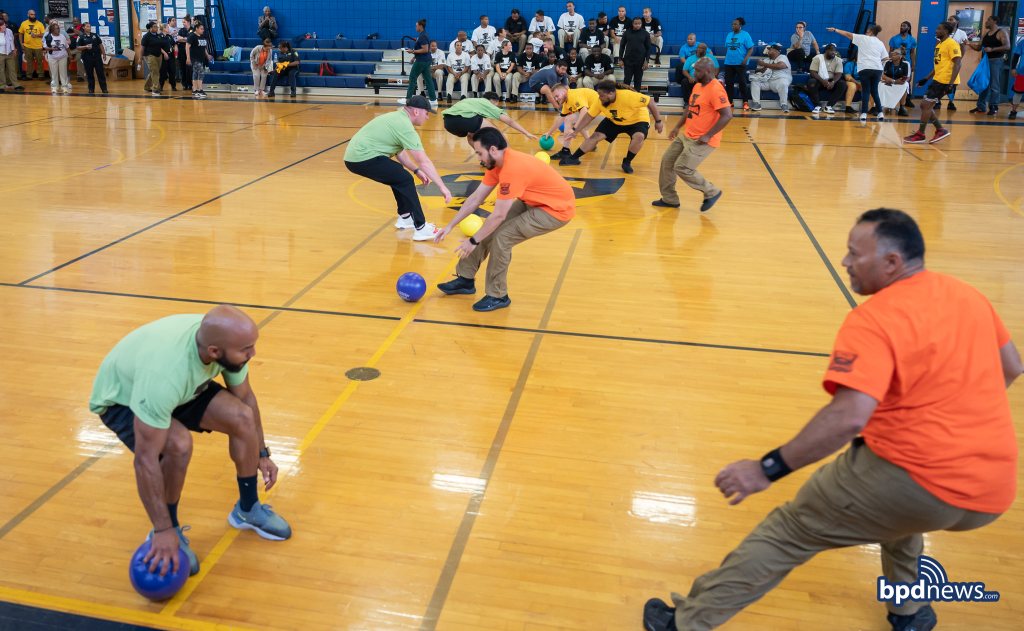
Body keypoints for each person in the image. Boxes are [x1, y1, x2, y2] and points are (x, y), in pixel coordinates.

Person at [642, 208, 1021, 631]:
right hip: (992, 490)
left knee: (787, 532)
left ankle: (687, 623)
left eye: (853, 254)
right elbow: (1012, 367)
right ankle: (908, 613)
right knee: (898, 519)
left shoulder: (875, 319)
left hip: (917, 482)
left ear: (892, 263)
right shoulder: (967, 295)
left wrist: (766, 468)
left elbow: (847, 418)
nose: (845, 262)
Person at [90, 306, 296, 578]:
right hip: (125, 399)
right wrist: (162, 530)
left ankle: (248, 510)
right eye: (246, 349)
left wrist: (261, 452)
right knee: (177, 445)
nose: (253, 354)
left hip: (181, 389)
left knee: (243, 418)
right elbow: (145, 460)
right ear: (214, 352)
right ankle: (169, 527)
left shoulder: (224, 341)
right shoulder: (165, 375)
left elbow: (246, 398)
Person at [435, 128, 576, 313]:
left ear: (493, 149)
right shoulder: (496, 164)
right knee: (488, 228)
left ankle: (498, 295)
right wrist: (450, 225)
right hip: (533, 201)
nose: (478, 158)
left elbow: (499, 215)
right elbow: (476, 198)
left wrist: (473, 240)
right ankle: (465, 280)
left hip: (556, 210)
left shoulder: (512, 168)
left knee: (502, 236)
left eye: (479, 153)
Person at [344, 96, 452, 241]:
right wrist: (442, 186)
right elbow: (424, 161)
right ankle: (421, 228)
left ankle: (405, 217)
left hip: (356, 156)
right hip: (361, 157)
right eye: (426, 113)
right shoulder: (405, 126)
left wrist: (416, 170)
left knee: (399, 175)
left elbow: (399, 151)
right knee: (405, 179)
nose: (427, 117)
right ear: (415, 112)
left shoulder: (398, 118)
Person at [653, 57, 731, 211]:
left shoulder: (716, 89)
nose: (694, 73)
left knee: (682, 167)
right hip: (687, 134)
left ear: (709, 71)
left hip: (703, 139)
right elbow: (690, 108)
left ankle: (711, 191)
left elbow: (727, 115)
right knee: (667, 162)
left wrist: (708, 135)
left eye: (698, 70)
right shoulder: (698, 85)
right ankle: (669, 199)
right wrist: (677, 127)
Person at [558, 79, 664, 173]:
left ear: (611, 94)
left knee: (639, 136)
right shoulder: (600, 102)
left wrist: (658, 121)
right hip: (614, 119)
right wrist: (575, 131)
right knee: (596, 136)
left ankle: (627, 162)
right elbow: (589, 116)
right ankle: (574, 158)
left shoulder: (627, 96)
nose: (599, 98)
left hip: (637, 119)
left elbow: (650, 101)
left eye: (601, 96)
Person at [903, 21, 959, 144]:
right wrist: (926, 79)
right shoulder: (940, 45)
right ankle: (940, 129)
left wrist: (951, 84)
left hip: (945, 80)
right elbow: (939, 66)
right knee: (924, 105)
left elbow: (957, 64)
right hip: (938, 78)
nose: (936, 31)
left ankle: (920, 134)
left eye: (939, 29)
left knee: (927, 105)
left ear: (946, 31)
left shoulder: (952, 44)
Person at [829, 25, 889, 121]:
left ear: (870, 33)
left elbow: (848, 34)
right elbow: (885, 58)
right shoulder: (880, 43)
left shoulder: (863, 38)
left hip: (865, 68)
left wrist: (835, 30)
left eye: (867, 32)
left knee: (866, 91)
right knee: (874, 92)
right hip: (877, 69)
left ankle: (864, 113)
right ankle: (880, 113)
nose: (865, 33)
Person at [441, 91, 537, 148]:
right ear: (491, 101)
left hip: (448, 122)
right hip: (464, 119)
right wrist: (526, 132)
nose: (496, 107)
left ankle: (484, 158)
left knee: (471, 135)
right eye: (496, 105)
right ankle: (510, 156)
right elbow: (509, 121)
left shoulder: (472, 101)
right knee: (495, 130)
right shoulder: (487, 103)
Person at [967, 16, 1010, 116]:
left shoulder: (1001, 32)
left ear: (994, 21)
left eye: (988, 20)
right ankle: (981, 107)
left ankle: (993, 107)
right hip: (985, 62)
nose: (986, 22)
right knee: (983, 84)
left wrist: (992, 49)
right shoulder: (986, 34)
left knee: (994, 85)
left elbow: (1007, 46)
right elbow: (978, 48)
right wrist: (968, 44)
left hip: (996, 62)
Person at [544, 83, 597, 160]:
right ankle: (590, 143)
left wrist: (574, 129)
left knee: (570, 119)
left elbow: (584, 112)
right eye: (554, 97)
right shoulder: (566, 103)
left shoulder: (573, 95)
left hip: (602, 112)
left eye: (557, 96)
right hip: (595, 112)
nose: (556, 99)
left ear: (564, 92)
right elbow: (560, 119)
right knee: (575, 119)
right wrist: (549, 132)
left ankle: (565, 151)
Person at [402, 19, 437, 106]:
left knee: (413, 78)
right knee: (428, 80)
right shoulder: (424, 35)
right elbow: (423, 49)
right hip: (426, 60)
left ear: (421, 26)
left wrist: (413, 51)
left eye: (416, 26)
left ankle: (408, 99)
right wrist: (414, 56)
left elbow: (425, 49)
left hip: (421, 61)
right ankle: (433, 100)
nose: (415, 27)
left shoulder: (423, 36)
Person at [749, 43, 792, 112]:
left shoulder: (782, 57)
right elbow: (756, 70)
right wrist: (761, 70)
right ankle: (756, 104)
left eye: (770, 50)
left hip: (779, 81)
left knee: (783, 83)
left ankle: (784, 104)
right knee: (754, 82)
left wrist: (764, 64)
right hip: (767, 81)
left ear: (775, 51)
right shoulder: (766, 60)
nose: (768, 51)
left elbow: (780, 66)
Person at [937, 15, 968, 111]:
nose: (949, 20)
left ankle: (951, 102)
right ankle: (938, 101)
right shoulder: (943, 32)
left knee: (953, 83)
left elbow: (963, 48)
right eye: (948, 19)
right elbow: (937, 46)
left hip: (954, 61)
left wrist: (958, 60)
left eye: (951, 19)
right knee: (940, 80)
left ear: (957, 21)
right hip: (943, 61)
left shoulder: (961, 33)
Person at [806, 43, 846, 114]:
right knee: (812, 82)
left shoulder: (838, 60)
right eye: (831, 50)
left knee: (842, 84)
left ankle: (829, 106)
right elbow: (812, 72)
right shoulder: (818, 58)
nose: (833, 52)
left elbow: (839, 74)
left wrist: (832, 82)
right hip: (819, 80)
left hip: (831, 80)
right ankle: (817, 106)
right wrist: (822, 81)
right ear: (826, 51)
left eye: (834, 50)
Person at [723, 17, 753, 110]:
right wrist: (727, 57)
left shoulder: (745, 35)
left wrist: (746, 59)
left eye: (735, 24)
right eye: (732, 24)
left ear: (740, 25)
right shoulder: (729, 35)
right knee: (729, 83)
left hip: (741, 63)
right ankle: (730, 101)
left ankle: (745, 102)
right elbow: (727, 47)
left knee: (742, 83)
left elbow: (751, 48)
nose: (733, 25)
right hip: (729, 63)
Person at [619, 16, 651, 92]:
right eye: (636, 23)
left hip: (640, 61)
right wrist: (620, 59)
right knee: (627, 80)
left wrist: (646, 61)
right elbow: (622, 46)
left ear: (641, 24)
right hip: (628, 61)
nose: (637, 25)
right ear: (632, 24)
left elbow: (648, 48)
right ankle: (625, 97)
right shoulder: (626, 33)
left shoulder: (645, 34)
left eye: (639, 23)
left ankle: (636, 99)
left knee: (638, 81)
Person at [75, 22, 105, 94]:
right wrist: (85, 47)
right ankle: (91, 89)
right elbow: (78, 47)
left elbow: (100, 44)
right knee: (90, 74)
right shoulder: (81, 36)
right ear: (83, 28)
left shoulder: (95, 35)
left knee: (100, 73)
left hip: (97, 56)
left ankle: (104, 88)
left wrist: (104, 53)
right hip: (87, 57)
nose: (89, 28)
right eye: (87, 26)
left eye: (90, 26)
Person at [879, 47, 911, 116]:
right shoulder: (887, 62)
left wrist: (900, 80)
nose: (893, 55)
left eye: (896, 54)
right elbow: (882, 74)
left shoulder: (905, 64)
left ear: (900, 56)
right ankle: (878, 107)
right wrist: (891, 80)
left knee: (905, 85)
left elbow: (907, 77)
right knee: (880, 85)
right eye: (892, 53)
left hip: (899, 83)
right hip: (888, 81)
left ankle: (902, 108)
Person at [43, 20, 71, 95]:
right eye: (56, 28)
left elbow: (67, 46)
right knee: (54, 72)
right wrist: (52, 48)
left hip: (63, 56)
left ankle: (64, 87)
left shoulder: (62, 36)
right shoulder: (48, 36)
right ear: (52, 30)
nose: (58, 30)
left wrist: (70, 55)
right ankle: (54, 87)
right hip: (52, 56)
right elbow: (44, 48)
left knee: (63, 72)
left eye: (58, 28)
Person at [186, 22, 212, 98]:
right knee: (201, 72)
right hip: (194, 58)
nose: (203, 30)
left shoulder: (201, 36)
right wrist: (188, 58)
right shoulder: (192, 36)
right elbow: (187, 47)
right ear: (196, 29)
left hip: (201, 58)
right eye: (201, 29)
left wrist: (207, 55)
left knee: (196, 73)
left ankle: (194, 90)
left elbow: (203, 47)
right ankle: (200, 90)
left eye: (203, 29)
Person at [19, 10, 46, 81]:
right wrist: (21, 44)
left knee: (39, 61)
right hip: (27, 46)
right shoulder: (24, 23)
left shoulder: (39, 24)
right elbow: (20, 33)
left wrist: (36, 35)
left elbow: (44, 34)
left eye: (34, 14)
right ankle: (29, 75)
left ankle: (40, 75)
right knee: (29, 61)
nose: (33, 16)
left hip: (38, 46)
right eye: (31, 15)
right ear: (28, 15)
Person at [140, 21, 166, 96]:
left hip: (158, 55)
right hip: (149, 55)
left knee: (154, 71)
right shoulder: (146, 36)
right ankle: (156, 89)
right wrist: (139, 58)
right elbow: (142, 48)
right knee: (155, 72)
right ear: (150, 28)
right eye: (155, 27)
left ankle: (147, 87)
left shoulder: (158, 36)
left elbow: (160, 46)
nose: (157, 28)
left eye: (157, 27)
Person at [0, 18, 24, 92]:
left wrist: (14, 50)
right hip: (0, 53)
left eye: (4, 25)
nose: (4, 26)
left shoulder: (9, 31)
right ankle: (1, 86)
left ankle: (16, 85)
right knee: (1, 70)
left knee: (12, 69)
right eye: (2, 25)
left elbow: (11, 41)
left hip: (9, 52)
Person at [843, 49, 866, 114]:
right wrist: (858, 83)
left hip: (863, 82)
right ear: (855, 54)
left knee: (871, 86)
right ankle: (848, 107)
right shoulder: (849, 63)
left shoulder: (866, 65)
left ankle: (872, 108)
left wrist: (863, 84)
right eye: (859, 53)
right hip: (853, 81)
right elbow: (848, 77)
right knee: (852, 86)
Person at [159, 24, 177, 92]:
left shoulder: (169, 36)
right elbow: (158, 47)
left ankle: (173, 86)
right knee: (163, 71)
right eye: (167, 27)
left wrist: (175, 47)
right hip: (163, 56)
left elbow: (174, 43)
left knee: (172, 70)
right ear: (163, 28)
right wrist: (164, 53)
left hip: (170, 55)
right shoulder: (159, 36)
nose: (168, 28)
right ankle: (161, 85)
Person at [176, 15, 192, 92]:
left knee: (189, 68)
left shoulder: (193, 30)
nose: (183, 24)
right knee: (182, 68)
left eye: (184, 22)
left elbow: (191, 40)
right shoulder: (181, 30)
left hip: (190, 51)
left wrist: (183, 39)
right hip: (181, 50)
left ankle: (189, 84)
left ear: (189, 22)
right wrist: (186, 39)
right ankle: (184, 84)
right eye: (182, 22)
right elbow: (178, 39)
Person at [66, 18, 85, 83]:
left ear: (79, 21)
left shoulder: (82, 27)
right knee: (64, 59)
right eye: (74, 21)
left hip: (78, 48)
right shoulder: (70, 29)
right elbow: (66, 35)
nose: (75, 22)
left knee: (79, 59)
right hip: (70, 49)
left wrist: (73, 29)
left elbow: (81, 34)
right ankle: (64, 76)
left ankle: (80, 76)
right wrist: (74, 34)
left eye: (76, 21)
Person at [1009, 36, 1024, 120]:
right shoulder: (1022, 42)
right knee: (1018, 92)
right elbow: (1016, 56)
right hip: (1022, 72)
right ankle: (1013, 111)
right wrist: (1013, 68)